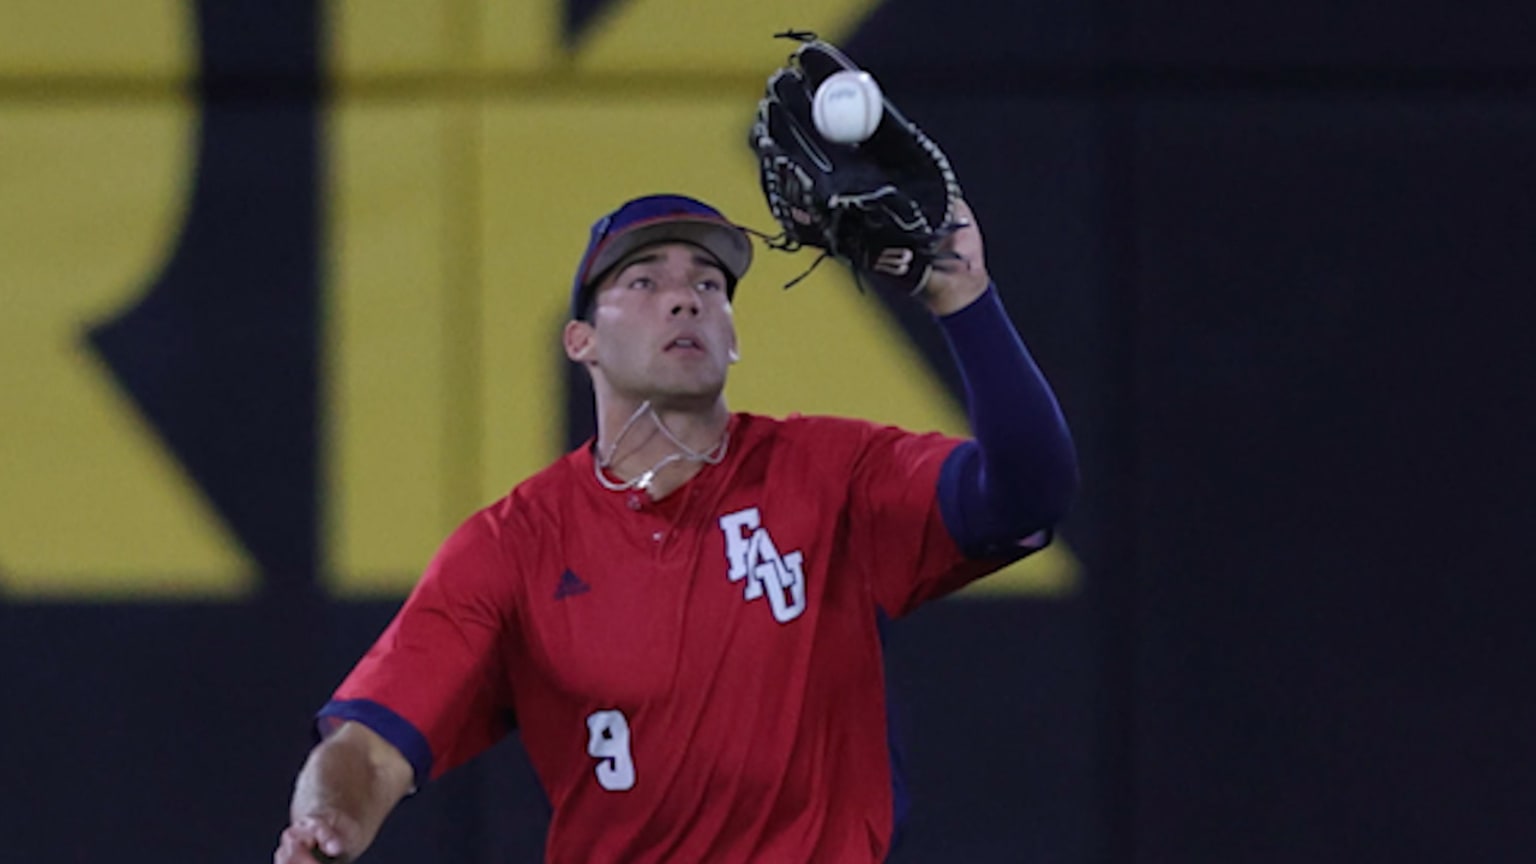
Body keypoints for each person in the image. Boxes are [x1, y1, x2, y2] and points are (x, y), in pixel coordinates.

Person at [273, 193, 1078, 864]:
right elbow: (369, 746)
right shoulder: (515, 547)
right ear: (580, 340)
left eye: (710, 284)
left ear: (732, 338)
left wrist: (964, 299)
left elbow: (1031, 492)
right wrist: (327, 822)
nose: (686, 295)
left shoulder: (833, 475)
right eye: (643, 279)